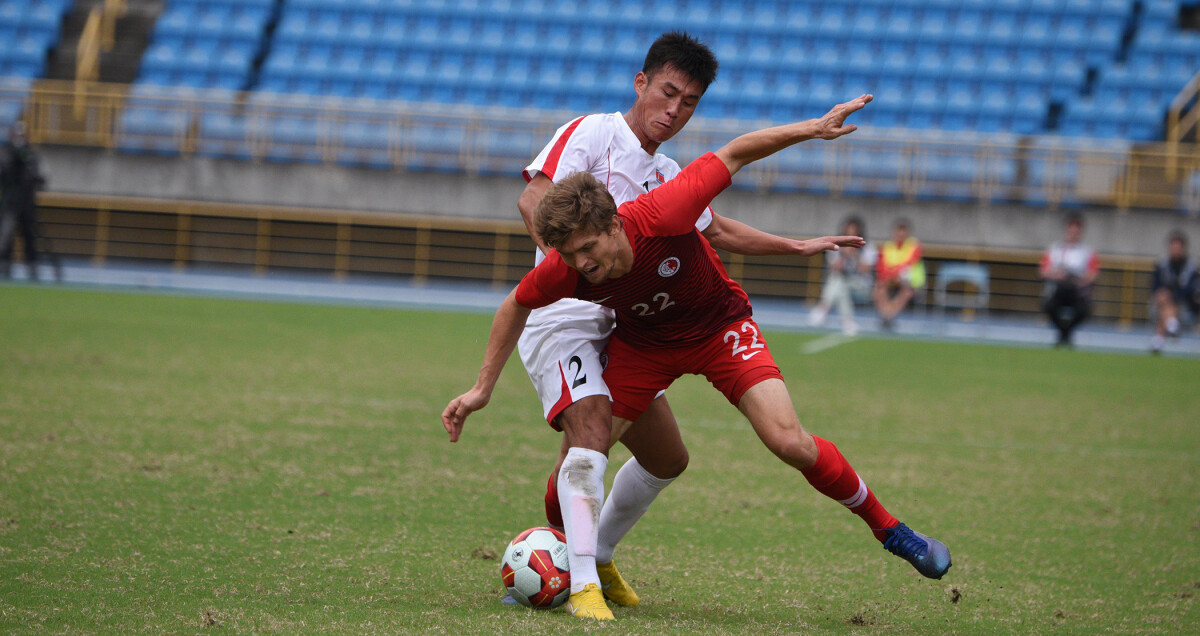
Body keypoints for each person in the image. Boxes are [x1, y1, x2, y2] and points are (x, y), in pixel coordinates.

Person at [443, 95, 952, 622]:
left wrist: (813, 129)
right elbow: (516, 303)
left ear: (616, 224)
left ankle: (893, 531)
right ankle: (582, 572)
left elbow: (734, 153)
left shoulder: (666, 207)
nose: (583, 264)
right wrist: (481, 389)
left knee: (788, 441)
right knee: (578, 463)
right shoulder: (568, 268)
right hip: (644, 345)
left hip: (719, 327)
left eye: (589, 247)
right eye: (571, 255)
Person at [511, 32, 851, 612]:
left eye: (688, 102)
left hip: (626, 324)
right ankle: (577, 577)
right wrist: (577, 273)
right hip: (568, 314)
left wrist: (793, 247)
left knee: (666, 458)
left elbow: (715, 231)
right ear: (640, 83)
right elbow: (533, 201)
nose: (674, 110)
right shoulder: (594, 132)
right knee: (591, 438)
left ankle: (593, 554)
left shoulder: (667, 172)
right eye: (667, 93)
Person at [808, 216, 876, 335]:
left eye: (854, 231)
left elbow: (866, 270)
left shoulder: (868, 246)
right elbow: (834, 268)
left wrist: (856, 254)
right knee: (839, 282)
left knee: (839, 284)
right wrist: (844, 254)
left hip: (861, 286)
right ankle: (847, 322)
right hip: (841, 283)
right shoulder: (836, 246)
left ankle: (823, 309)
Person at [1040, 213, 1098, 348]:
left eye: (1076, 231)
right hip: (1058, 290)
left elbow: (1093, 274)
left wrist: (1080, 280)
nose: (1073, 234)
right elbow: (1043, 271)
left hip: (1077, 291)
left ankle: (1065, 334)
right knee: (1048, 306)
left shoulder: (1087, 252)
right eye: (1071, 230)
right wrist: (1057, 275)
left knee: (1085, 309)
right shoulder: (1055, 250)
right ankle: (1064, 334)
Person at [0, 121, 47, 279]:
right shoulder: (6, 153)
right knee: (6, 235)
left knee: (29, 234)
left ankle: (32, 265)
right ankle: (4, 263)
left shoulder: (30, 154)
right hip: (10, 202)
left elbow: (36, 176)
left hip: (27, 203)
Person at [1150, 230, 1198, 353]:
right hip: (1162, 303)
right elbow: (1155, 285)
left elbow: (1189, 291)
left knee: (1167, 305)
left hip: (1185, 306)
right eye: (1173, 247)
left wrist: (1170, 296)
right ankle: (1172, 325)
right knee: (1164, 304)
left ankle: (1158, 340)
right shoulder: (1163, 265)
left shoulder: (1190, 268)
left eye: (1178, 248)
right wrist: (1161, 294)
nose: (1175, 251)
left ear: (1183, 249)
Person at [873, 218, 924, 330]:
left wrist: (896, 274)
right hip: (891, 280)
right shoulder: (887, 247)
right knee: (879, 289)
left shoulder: (914, 245)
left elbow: (910, 262)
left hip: (909, 282)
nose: (900, 234)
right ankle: (886, 315)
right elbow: (881, 267)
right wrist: (891, 277)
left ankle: (889, 316)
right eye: (898, 231)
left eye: (903, 231)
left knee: (906, 292)